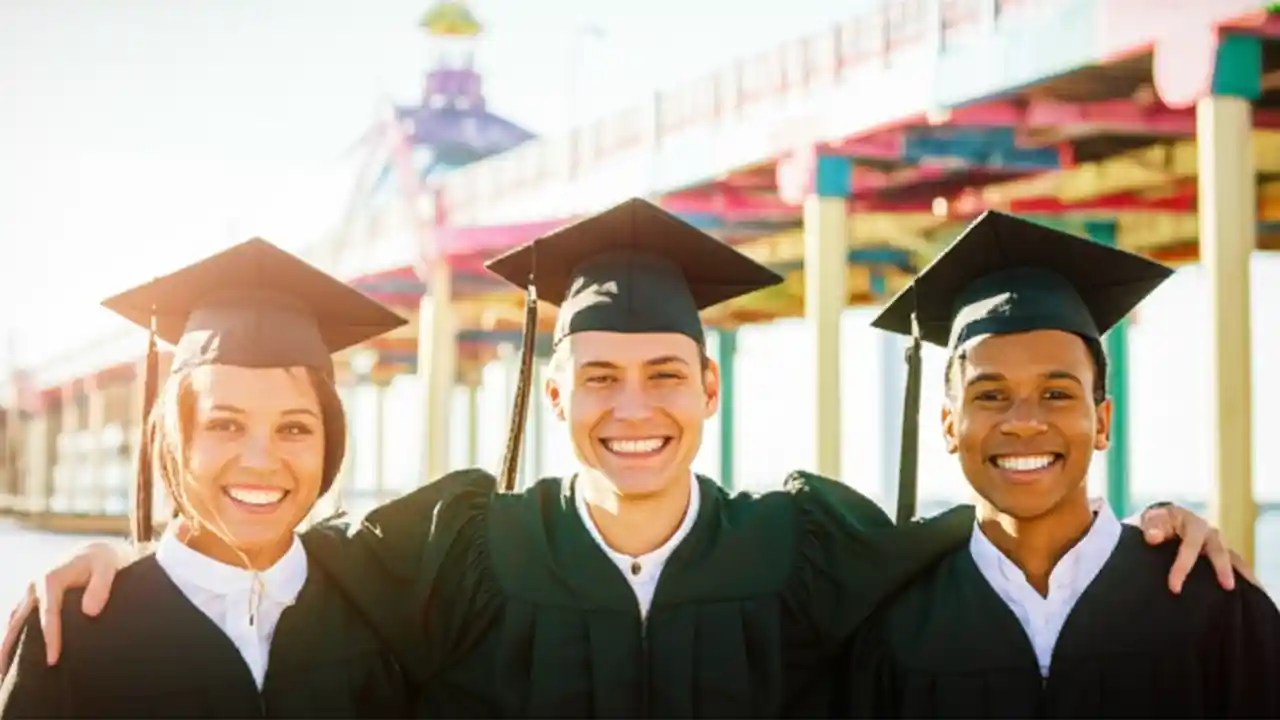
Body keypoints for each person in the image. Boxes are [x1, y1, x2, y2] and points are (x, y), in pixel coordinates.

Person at [0, 201, 1248, 717]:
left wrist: (1160, 524)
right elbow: (267, 546)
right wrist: (122, 564)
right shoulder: (457, 551)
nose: (630, 407)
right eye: (597, 374)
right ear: (553, 394)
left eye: (663, 374)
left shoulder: (803, 550)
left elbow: (997, 528)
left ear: (709, 389)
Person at [840, 211, 1280, 717]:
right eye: (991, 394)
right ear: (947, 424)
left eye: (1055, 393)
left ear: (1102, 423)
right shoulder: (892, 623)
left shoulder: (1210, 605)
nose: (1024, 422)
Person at [1, 238, 413, 718]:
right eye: (225, 424)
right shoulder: (71, 633)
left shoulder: (383, 620)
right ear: (175, 440)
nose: (261, 461)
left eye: (295, 428)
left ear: (331, 443)